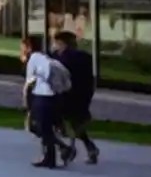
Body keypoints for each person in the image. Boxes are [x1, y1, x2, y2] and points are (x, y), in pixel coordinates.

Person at [53, 31, 99, 165]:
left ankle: (68, 147)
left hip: (69, 94)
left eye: (57, 43)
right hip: (81, 94)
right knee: (75, 121)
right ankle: (88, 147)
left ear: (62, 43)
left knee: (60, 119)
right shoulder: (84, 57)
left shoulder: (64, 58)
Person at [21, 35, 66, 169]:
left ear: (28, 47)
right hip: (53, 96)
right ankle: (50, 157)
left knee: (41, 127)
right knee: (46, 128)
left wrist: (26, 102)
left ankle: (58, 151)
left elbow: (29, 83)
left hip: (42, 96)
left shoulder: (33, 59)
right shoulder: (46, 57)